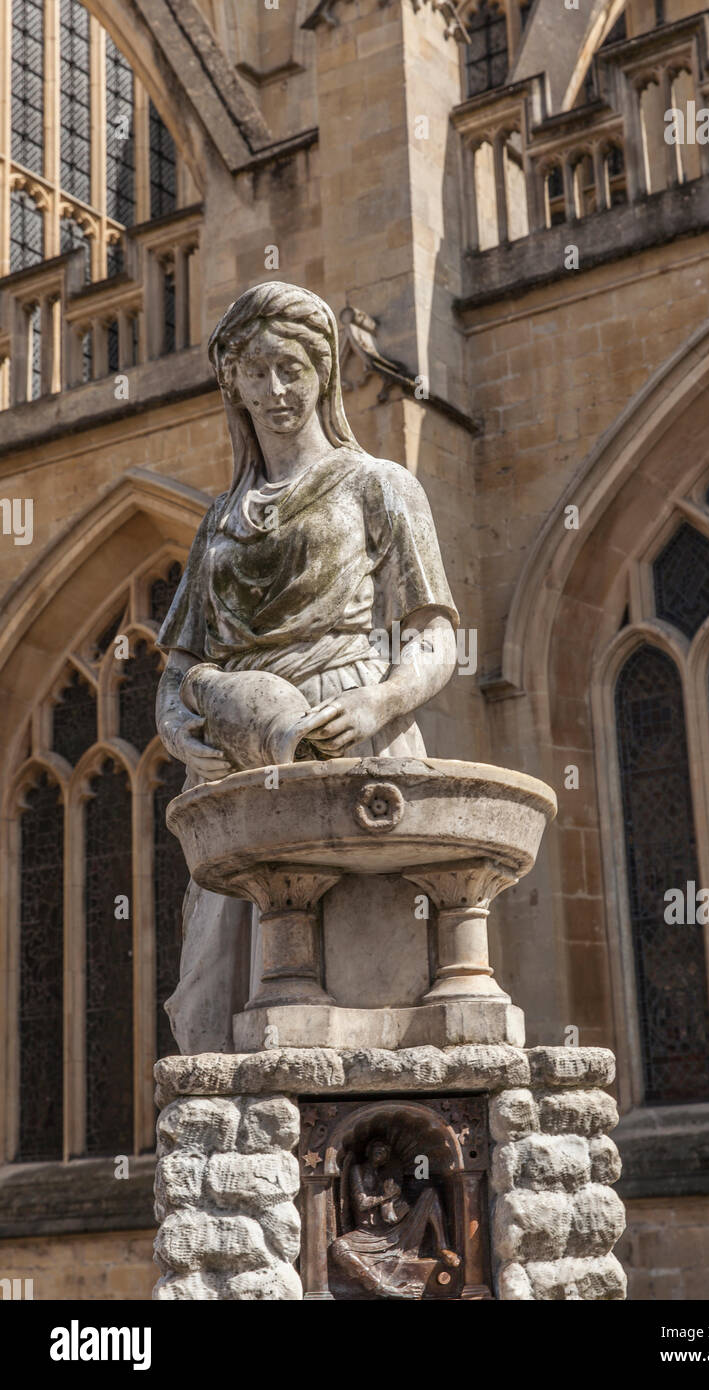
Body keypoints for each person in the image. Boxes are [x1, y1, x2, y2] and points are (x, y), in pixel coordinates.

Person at [155, 282, 459, 1053]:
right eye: (254, 374)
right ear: (233, 385)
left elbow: (435, 637)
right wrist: (182, 733)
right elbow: (180, 663)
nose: (276, 391)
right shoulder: (218, 520)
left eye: (291, 368)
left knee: (368, 981)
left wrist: (379, 702)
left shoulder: (378, 485)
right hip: (234, 753)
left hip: (347, 726)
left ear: (323, 372)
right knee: (217, 994)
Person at [330, 1138, 460, 1299]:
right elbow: (362, 1203)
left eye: (385, 1151)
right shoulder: (358, 1170)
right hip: (366, 1234)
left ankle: (442, 1247)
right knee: (339, 1247)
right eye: (378, 1147)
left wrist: (396, 1202)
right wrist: (386, 1196)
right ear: (367, 1151)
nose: (381, 1152)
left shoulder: (385, 1179)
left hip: (391, 1232)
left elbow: (390, 1216)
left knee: (430, 1195)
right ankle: (386, 1289)